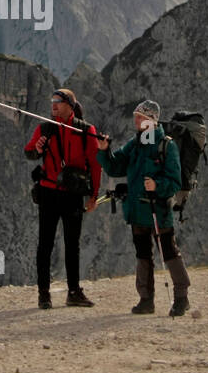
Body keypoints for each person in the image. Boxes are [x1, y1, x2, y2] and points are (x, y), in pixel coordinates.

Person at [97, 100, 191, 316]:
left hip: (158, 211)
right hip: (138, 211)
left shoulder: (167, 146)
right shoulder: (135, 144)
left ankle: (181, 298)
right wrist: (104, 151)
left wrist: (157, 186)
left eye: (140, 116)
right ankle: (146, 300)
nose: (136, 120)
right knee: (142, 253)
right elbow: (114, 166)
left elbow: (175, 182)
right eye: (136, 116)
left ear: (152, 120)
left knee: (168, 252)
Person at [24, 88, 101, 309]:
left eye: (58, 101)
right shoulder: (45, 128)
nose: (53, 105)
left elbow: (95, 165)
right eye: (52, 101)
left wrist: (93, 195)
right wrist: (37, 149)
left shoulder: (86, 130)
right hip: (48, 192)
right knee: (45, 244)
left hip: (72, 195)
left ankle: (74, 292)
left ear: (70, 104)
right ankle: (44, 294)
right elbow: (29, 152)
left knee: (72, 244)